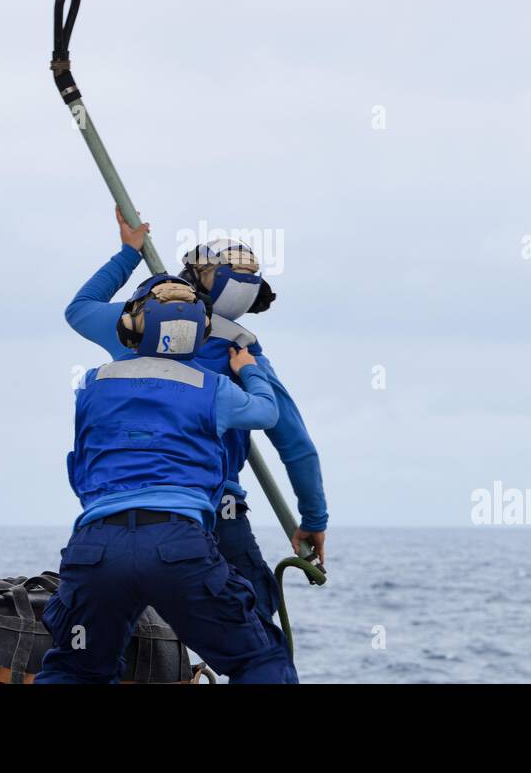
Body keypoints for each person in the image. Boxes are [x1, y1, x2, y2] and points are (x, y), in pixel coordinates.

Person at [64, 209, 328, 625]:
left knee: (114, 631)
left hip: (113, 511)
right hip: (212, 508)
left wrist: (128, 253)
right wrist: (313, 520)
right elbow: (295, 445)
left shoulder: (128, 330)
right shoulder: (242, 355)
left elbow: (79, 309)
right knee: (253, 620)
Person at [36, 274, 297, 684]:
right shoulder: (212, 388)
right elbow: (267, 412)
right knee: (259, 659)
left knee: (75, 669)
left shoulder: (91, 382)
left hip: (96, 550)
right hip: (180, 548)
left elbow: (82, 459)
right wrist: (250, 368)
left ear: (130, 328)